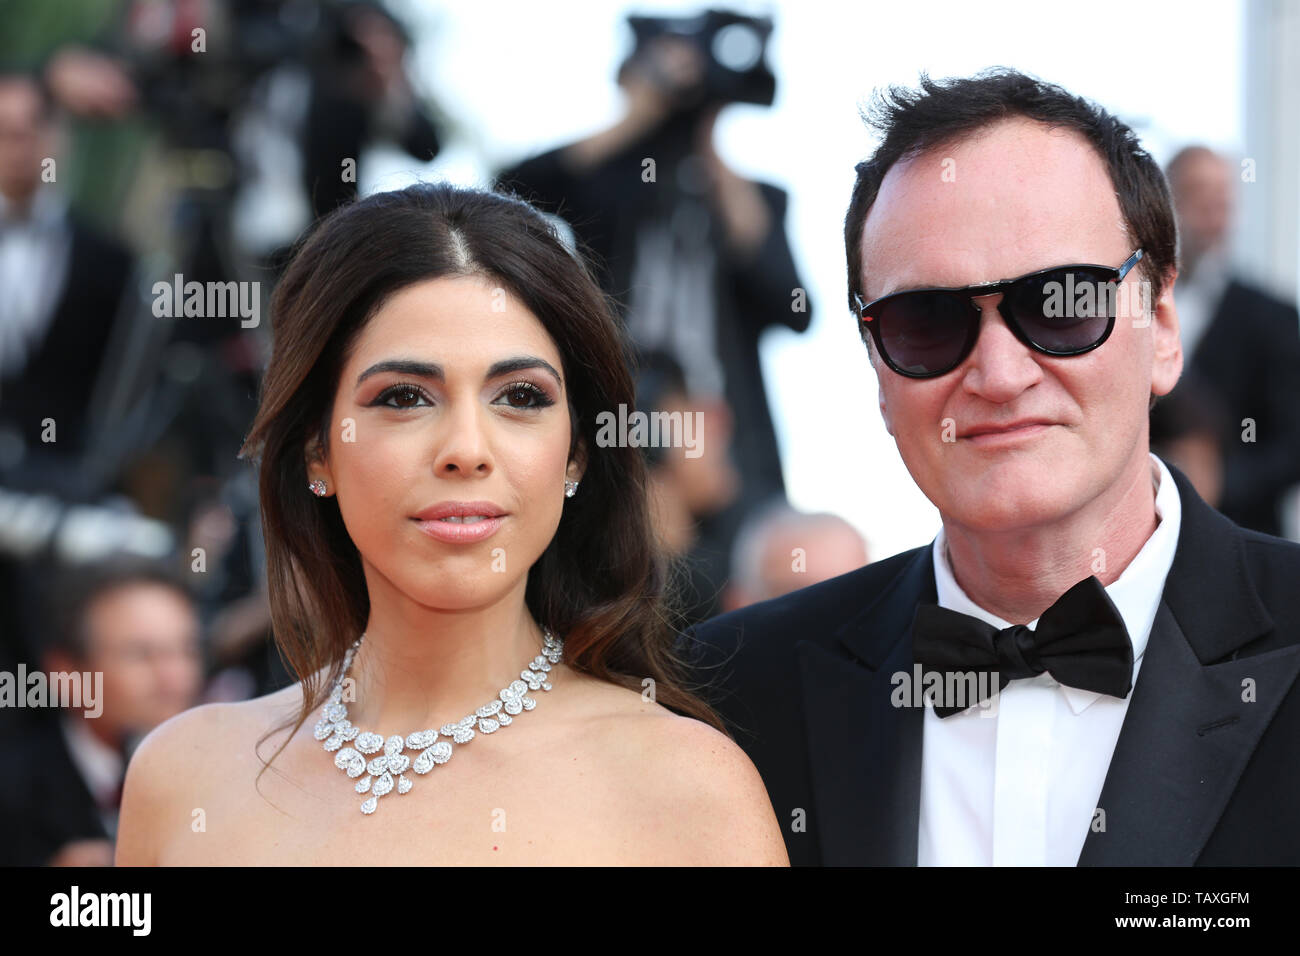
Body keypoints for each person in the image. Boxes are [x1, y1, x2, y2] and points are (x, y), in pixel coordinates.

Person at [684, 69, 1300, 866]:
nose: (1000, 374)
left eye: (1062, 300)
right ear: (876, 368)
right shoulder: (727, 693)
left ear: (1165, 326)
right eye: (926, 320)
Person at [115, 182, 787, 866]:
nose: (467, 449)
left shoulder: (689, 794)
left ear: (576, 453)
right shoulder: (184, 774)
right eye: (404, 397)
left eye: (520, 397)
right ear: (318, 448)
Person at [0, 558, 202, 866]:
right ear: (66, 673)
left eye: (185, 650)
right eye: (139, 655)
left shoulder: (219, 774)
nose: (174, 678)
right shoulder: (13, 793)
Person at [1165, 145, 1300, 538]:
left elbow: (1293, 443)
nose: (1211, 212)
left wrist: (1220, 481)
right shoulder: (1129, 310)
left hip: (1245, 535)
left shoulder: (1270, 315)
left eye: (1222, 199)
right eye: (1196, 195)